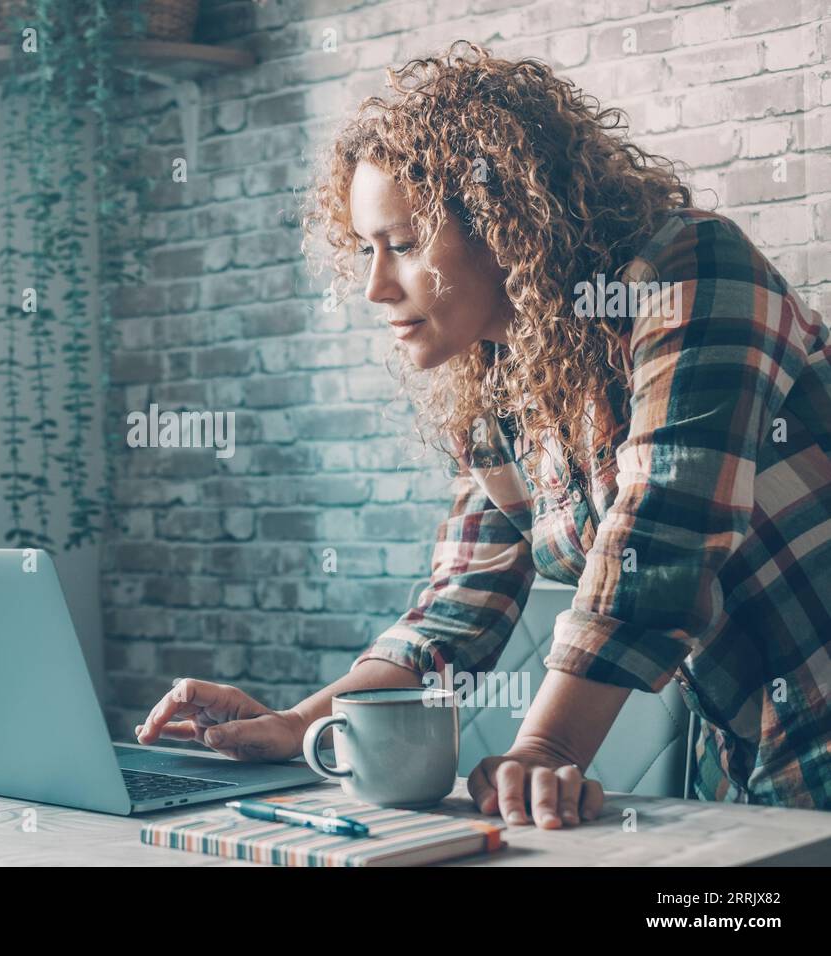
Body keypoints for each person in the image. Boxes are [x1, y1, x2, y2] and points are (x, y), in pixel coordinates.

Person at [135, 41, 831, 827]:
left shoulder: (690, 272)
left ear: (505, 222)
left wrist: (543, 749)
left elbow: (668, 531)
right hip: (746, 749)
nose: (372, 287)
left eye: (401, 245)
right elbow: (459, 603)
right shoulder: (502, 386)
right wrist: (304, 725)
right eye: (365, 250)